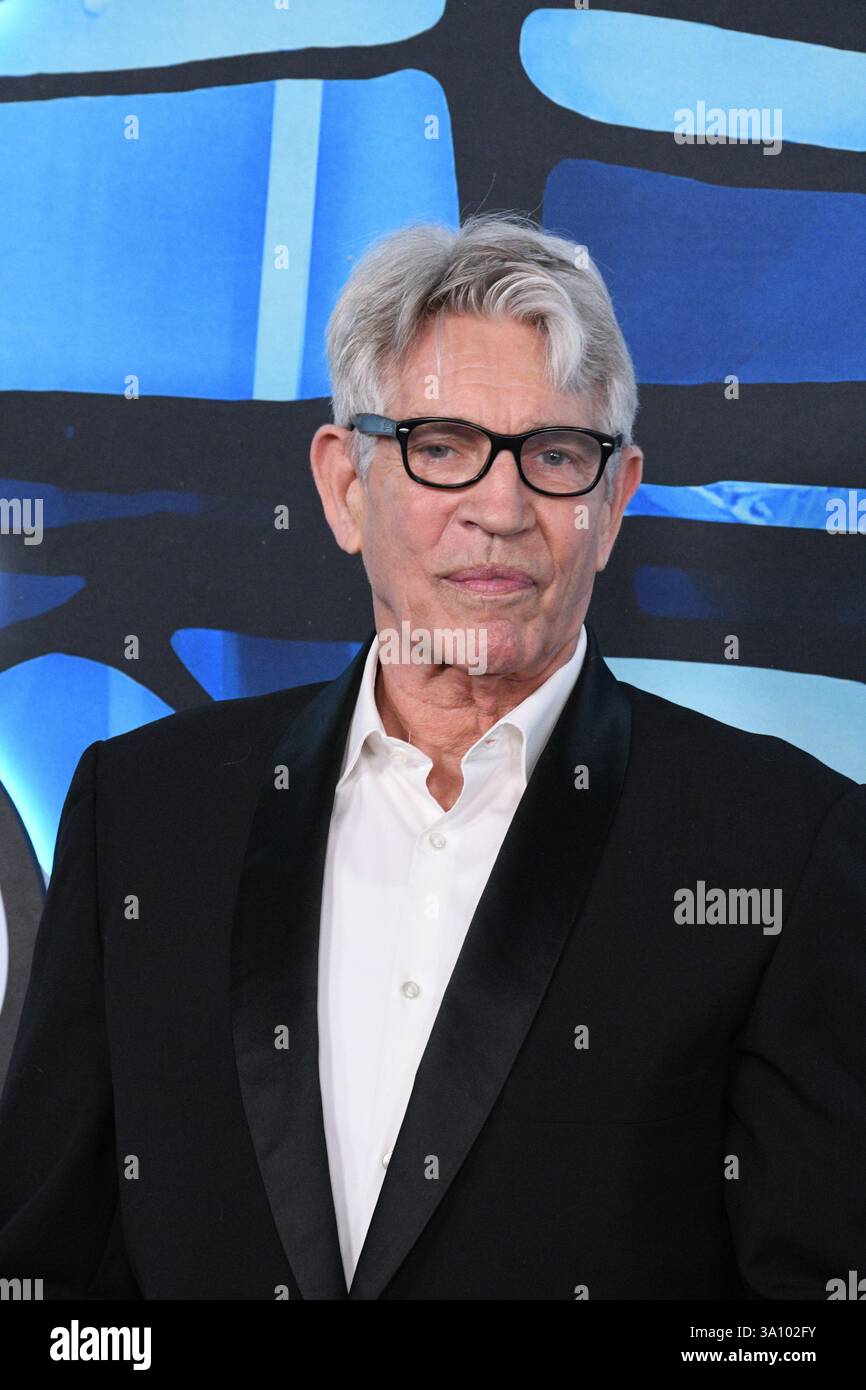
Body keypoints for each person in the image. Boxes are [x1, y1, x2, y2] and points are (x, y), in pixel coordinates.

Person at [1, 213, 864, 1300]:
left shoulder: (782, 844)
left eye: (555, 456)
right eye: (442, 448)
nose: (499, 509)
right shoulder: (144, 813)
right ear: (344, 486)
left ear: (613, 501)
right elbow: (49, 1283)